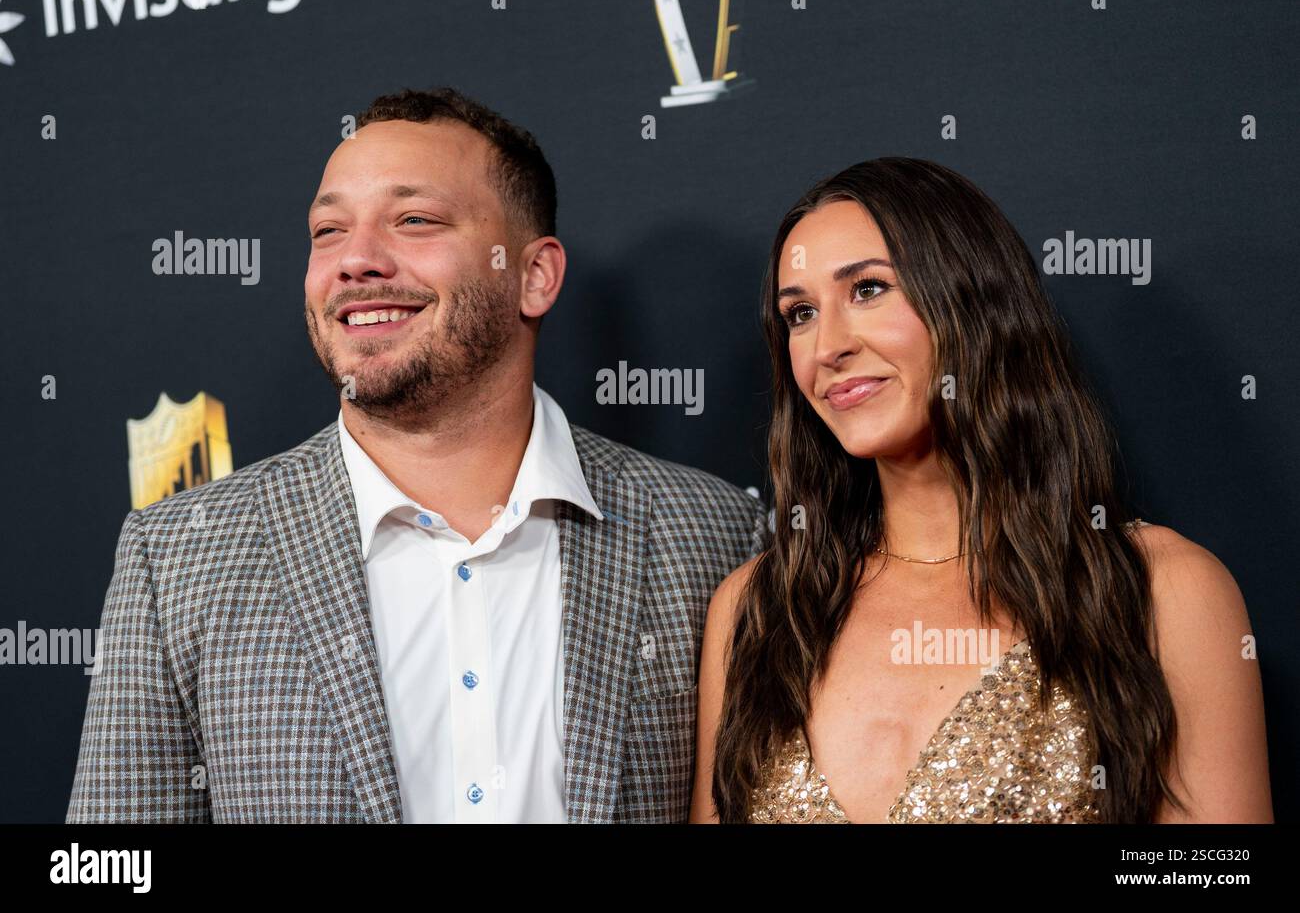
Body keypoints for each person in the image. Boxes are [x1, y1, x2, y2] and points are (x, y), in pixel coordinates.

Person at [68, 86, 765, 823]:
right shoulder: (177, 556)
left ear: (534, 276)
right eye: (328, 231)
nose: (356, 260)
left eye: (414, 220)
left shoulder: (713, 534)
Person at [690, 157, 1273, 823]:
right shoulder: (756, 612)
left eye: (869, 290)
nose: (827, 347)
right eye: (798, 314)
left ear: (972, 301)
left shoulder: (1164, 593)